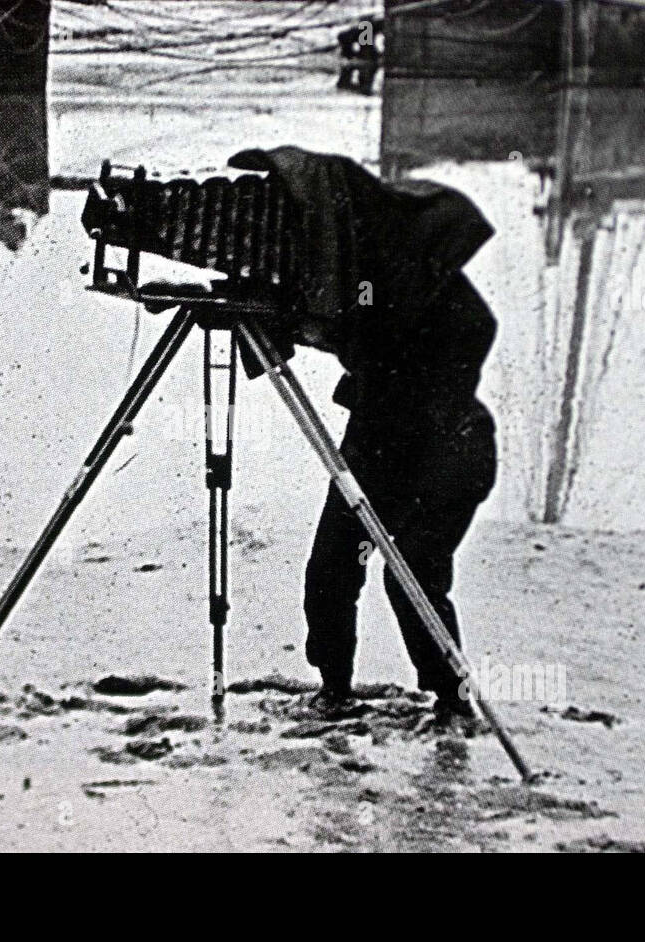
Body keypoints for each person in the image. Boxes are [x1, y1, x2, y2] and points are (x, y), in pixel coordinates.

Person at [227, 147, 499, 722]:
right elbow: (328, 323)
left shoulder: (422, 289)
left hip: (449, 444)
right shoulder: (363, 274)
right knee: (332, 564)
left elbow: (457, 335)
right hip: (382, 432)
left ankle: (453, 699)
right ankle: (334, 688)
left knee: (413, 574)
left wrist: (399, 380)